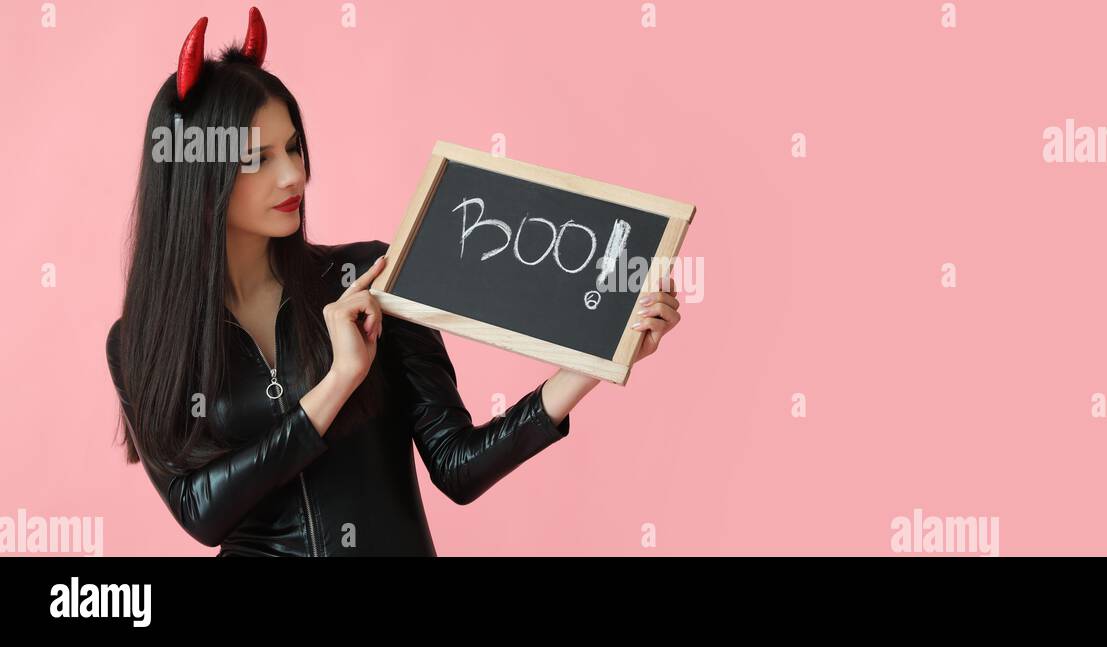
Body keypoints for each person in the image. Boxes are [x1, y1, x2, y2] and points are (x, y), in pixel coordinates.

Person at [105, 7, 682, 556]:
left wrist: (592, 360)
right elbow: (202, 515)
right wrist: (338, 382)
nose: (293, 175)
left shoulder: (372, 275)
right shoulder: (142, 341)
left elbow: (459, 466)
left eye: (295, 148)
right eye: (258, 159)